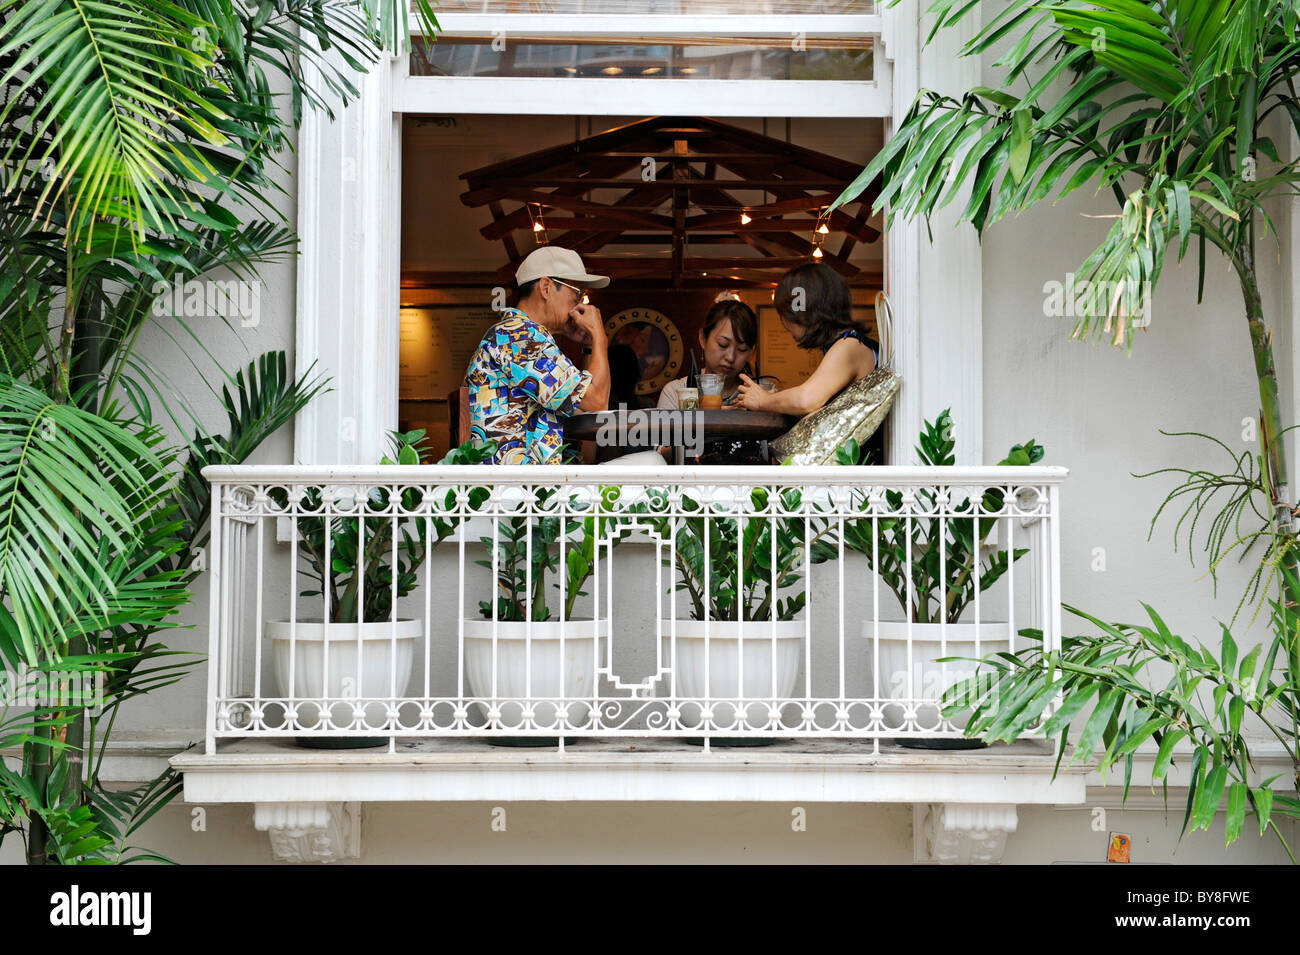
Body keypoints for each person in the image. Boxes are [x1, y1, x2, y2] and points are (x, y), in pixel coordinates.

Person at [463, 246, 610, 464]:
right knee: (651, 462)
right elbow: (597, 403)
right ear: (546, 287)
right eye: (577, 294)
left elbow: (583, 407)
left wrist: (590, 345)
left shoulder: (521, 336)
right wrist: (600, 336)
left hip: (524, 486)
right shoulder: (519, 338)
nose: (580, 304)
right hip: (517, 490)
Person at [734, 263, 877, 415]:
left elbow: (805, 400)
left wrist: (763, 401)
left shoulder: (849, 346)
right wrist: (773, 401)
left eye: (784, 313)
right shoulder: (850, 342)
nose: (784, 322)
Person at [657, 297, 758, 410]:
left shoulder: (762, 394)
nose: (730, 357)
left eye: (742, 349)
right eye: (722, 344)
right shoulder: (676, 392)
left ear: (751, 352)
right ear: (703, 339)